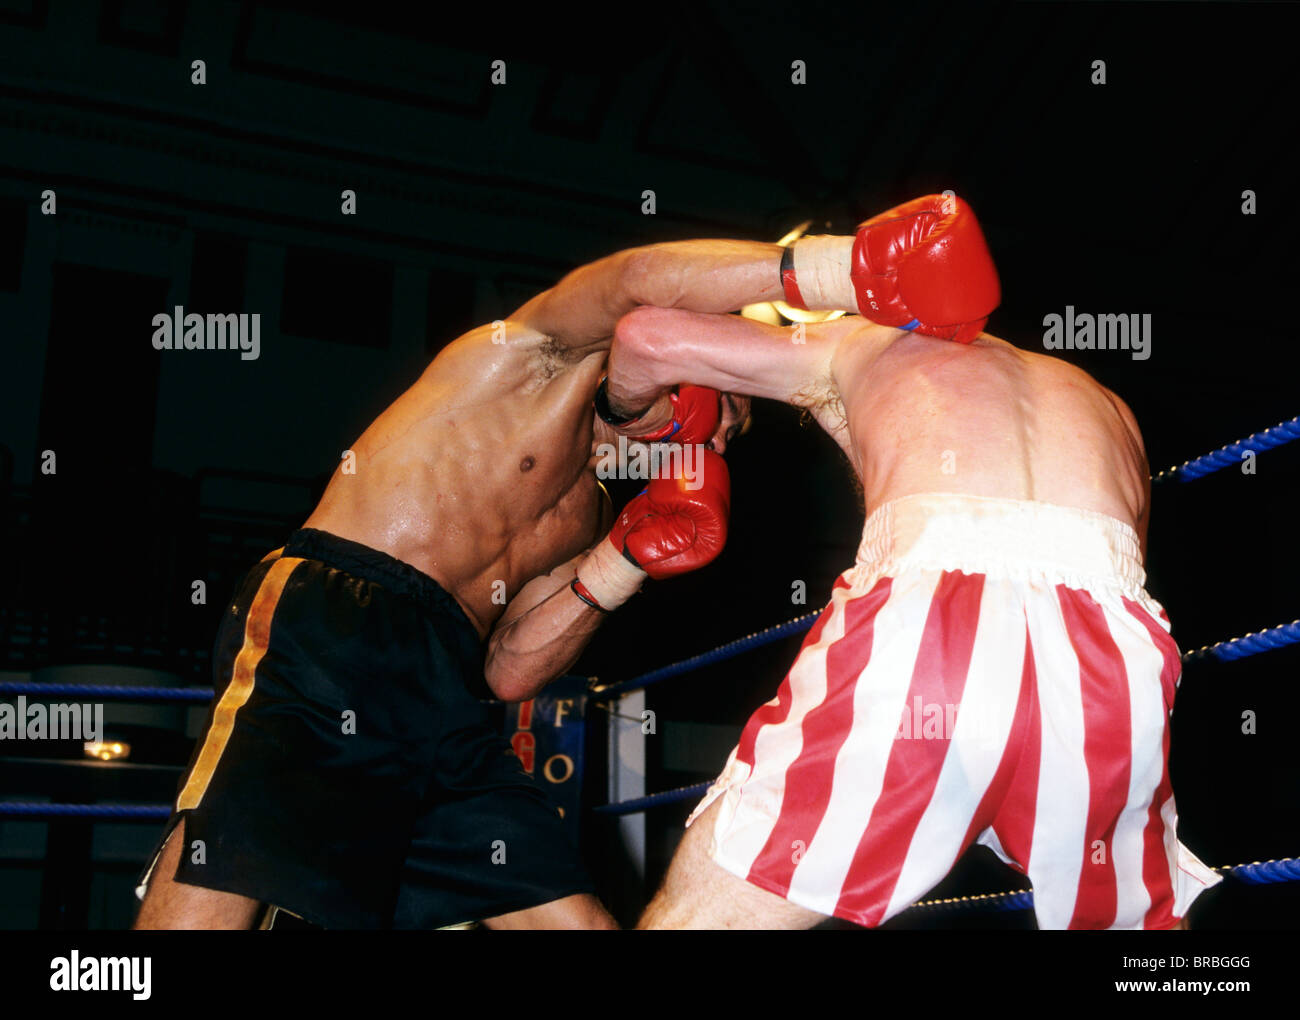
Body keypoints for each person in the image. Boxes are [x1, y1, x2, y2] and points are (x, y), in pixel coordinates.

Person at [600, 195, 1222, 930]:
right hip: (1114, 657)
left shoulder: (854, 342)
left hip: (934, 620)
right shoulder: (1103, 398)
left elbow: (644, 336)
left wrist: (636, 420)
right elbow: (1117, 568)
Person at [133, 237, 774, 930]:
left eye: (721, 443)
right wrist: (829, 270)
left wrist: (624, 562)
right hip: (336, 614)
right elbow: (640, 277)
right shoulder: (532, 356)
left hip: (445, 690)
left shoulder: (596, 516)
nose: (704, 448)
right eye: (716, 414)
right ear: (671, 368)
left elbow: (507, 670)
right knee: (230, 859)